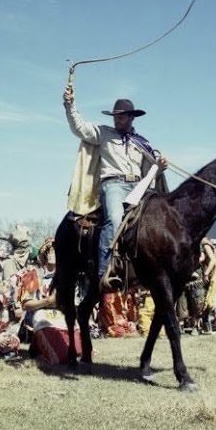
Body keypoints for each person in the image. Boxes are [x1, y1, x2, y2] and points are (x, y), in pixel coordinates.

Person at [63, 83, 168, 292]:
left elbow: (150, 172)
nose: (117, 120)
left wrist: (160, 166)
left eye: (121, 117)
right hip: (113, 184)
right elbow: (79, 127)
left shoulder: (143, 143)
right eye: (115, 116)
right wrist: (70, 105)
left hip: (139, 187)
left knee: (160, 220)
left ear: (131, 118)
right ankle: (104, 270)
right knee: (114, 218)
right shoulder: (103, 133)